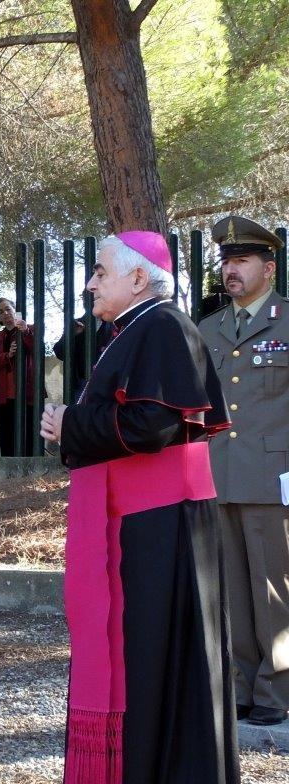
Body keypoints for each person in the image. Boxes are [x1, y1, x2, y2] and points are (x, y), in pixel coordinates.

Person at [40, 230, 241, 784]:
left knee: (154, 660)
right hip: (140, 521)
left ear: (140, 278)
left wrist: (71, 423)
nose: (91, 282)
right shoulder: (133, 329)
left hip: (163, 525)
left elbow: (153, 425)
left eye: (100, 272)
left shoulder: (161, 327)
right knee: (131, 661)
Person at [197, 215, 289, 727]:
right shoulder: (208, 329)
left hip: (274, 477)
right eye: (226, 261)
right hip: (219, 475)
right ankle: (241, 684)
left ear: (267, 268)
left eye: (241, 261)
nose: (229, 270)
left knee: (273, 589)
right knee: (230, 588)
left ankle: (276, 689)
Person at [0, 299, 41, 456]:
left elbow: (38, 350)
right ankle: (9, 472)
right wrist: (8, 355)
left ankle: (30, 472)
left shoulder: (30, 329)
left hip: (26, 391)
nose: (6, 313)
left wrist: (26, 332)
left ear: (15, 310)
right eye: (1, 312)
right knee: (7, 436)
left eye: (8, 309)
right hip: (4, 394)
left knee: (29, 433)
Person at [52, 314, 112, 399]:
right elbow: (60, 353)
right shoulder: (76, 323)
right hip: (80, 383)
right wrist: (71, 334)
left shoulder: (113, 324)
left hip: (106, 382)